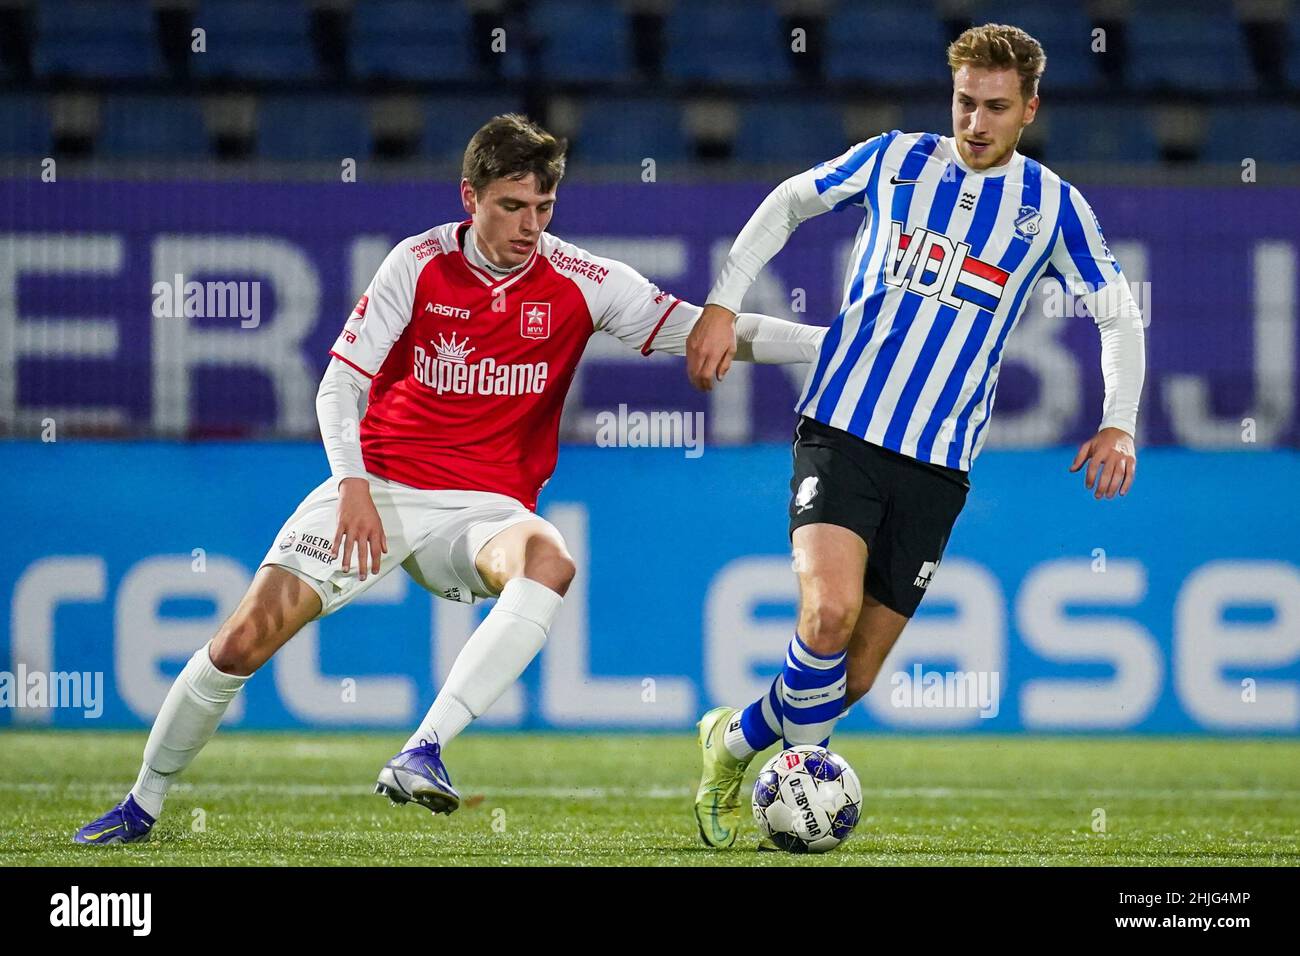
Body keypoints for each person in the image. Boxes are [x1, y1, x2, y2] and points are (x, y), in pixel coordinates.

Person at [74, 113, 824, 845]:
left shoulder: (583, 280)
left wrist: (831, 344)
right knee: (241, 642)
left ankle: (423, 749)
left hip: (486, 512)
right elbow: (339, 386)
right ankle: (142, 803)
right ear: (470, 198)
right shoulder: (417, 264)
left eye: (543, 206)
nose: (529, 224)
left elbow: (711, 331)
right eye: (511, 205)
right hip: (382, 486)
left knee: (549, 559)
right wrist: (354, 487)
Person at [685, 23, 1147, 848]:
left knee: (851, 675)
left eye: (995, 108)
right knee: (826, 617)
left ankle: (734, 741)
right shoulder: (898, 158)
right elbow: (792, 198)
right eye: (965, 102)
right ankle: (793, 807)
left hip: (940, 462)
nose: (975, 122)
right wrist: (723, 300)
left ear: (1029, 109)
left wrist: (1119, 421)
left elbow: (1117, 312)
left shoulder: (1054, 209)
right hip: (844, 424)